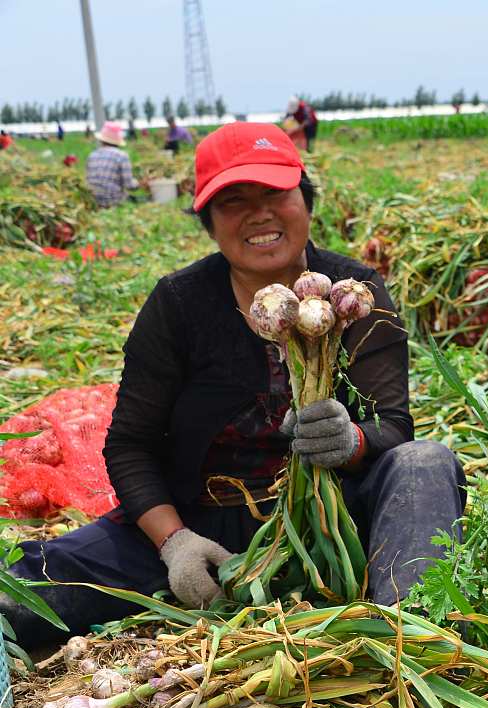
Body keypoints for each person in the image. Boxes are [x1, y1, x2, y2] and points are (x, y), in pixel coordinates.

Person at [1, 122, 464, 649]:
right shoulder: (178, 304)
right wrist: (175, 543)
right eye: (233, 201)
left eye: (275, 193)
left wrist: (352, 441)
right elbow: (131, 446)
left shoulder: (352, 292)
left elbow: (393, 425)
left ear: (306, 200)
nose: (259, 213)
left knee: (425, 463)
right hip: (206, 523)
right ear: (209, 223)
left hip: (338, 522)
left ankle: (416, 642)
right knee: (24, 591)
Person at [85, 121, 135, 207]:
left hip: (93, 199)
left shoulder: (92, 155)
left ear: (102, 141)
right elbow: (129, 184)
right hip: (113, 200)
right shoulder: (121, 155)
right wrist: (139, 184)